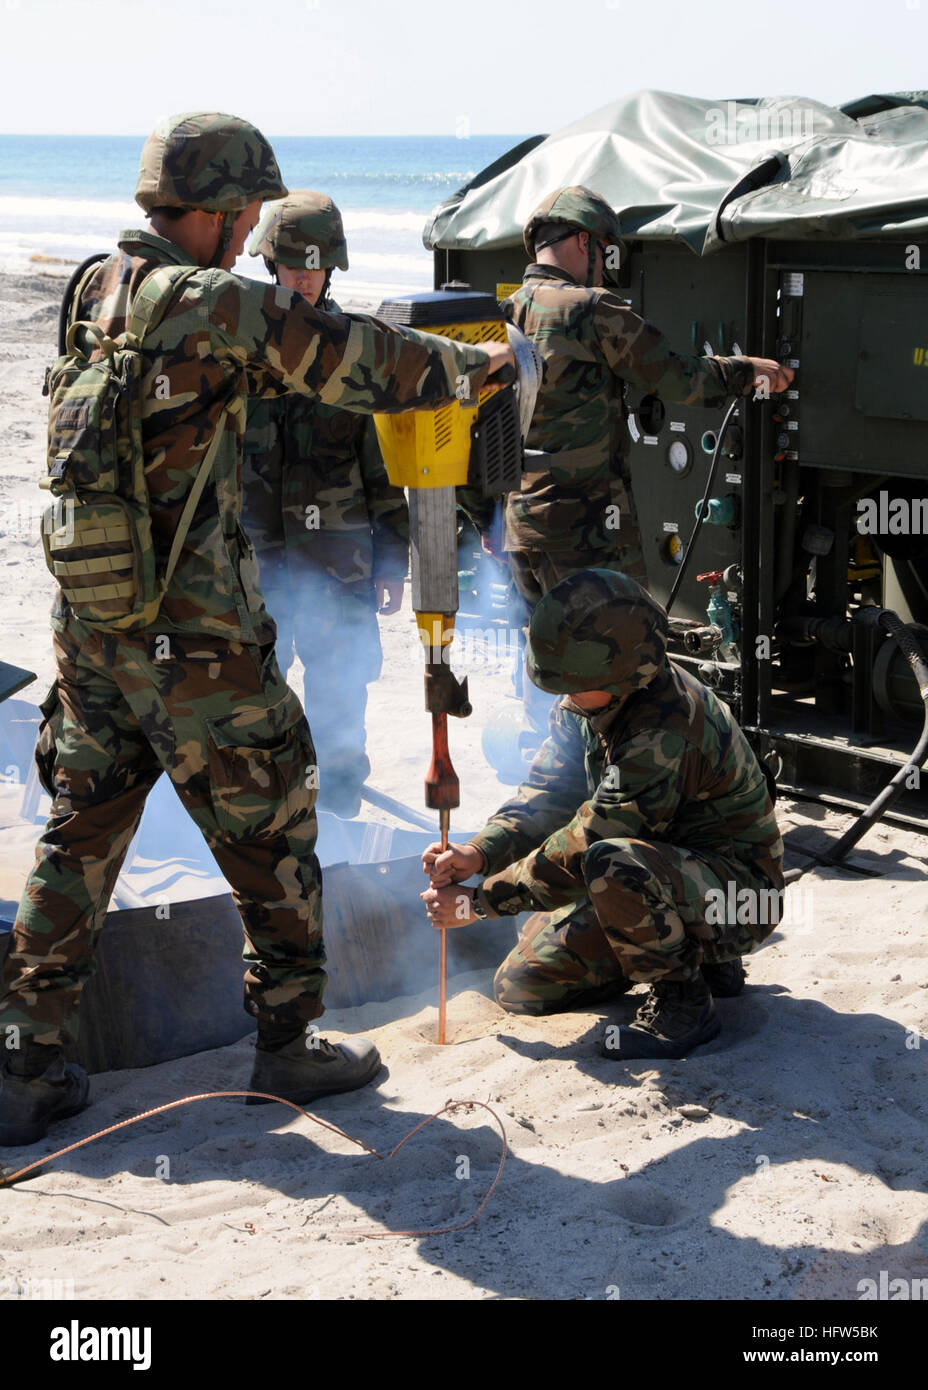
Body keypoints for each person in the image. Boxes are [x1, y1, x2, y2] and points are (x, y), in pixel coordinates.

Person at [0, 111, 513, 1148]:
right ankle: (288, 1041)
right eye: (241, 218)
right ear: (219, 211)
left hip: (94, 628)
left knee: (78, 839)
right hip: (195, 641)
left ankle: (27, 1061)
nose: (245, 239)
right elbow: (360, 362)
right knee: (276, 830)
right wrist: (473, 370)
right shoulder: (212, 301)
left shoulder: (92, 286)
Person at [421, 569, 785, 1060]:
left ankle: (683, 1005)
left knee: (611, 862)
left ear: (625, 675)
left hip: (739, 896)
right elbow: (550, 792)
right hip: (669, 877)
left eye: (575, 683)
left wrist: (481, 902)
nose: (563, 696)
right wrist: (479, 851)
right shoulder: (589, 703)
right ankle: (697, 955)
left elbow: (595, 837)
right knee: (523, 986)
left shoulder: (666, 728)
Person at [500, 185, 794, 608]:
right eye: (604, 253)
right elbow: (672, 377)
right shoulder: (592, 308)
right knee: (615, 654)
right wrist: (745, 371)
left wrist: (485, 518)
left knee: (544, 657)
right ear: (585, 241)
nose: (603, 272)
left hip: (520, 527)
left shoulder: (503, 314)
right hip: (585, 530)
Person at [243, 192, 407, 818]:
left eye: (313, 264)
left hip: (340, 565)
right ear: (273, 266)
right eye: (291, 265)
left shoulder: (356, 350)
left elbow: (385, 468)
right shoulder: (245, 349)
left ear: (332, 264)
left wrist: (393, 560)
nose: (303, 277)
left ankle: (339, 816)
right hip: (256, 567)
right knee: (254, 708)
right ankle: (271, 823)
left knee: (340, 704)